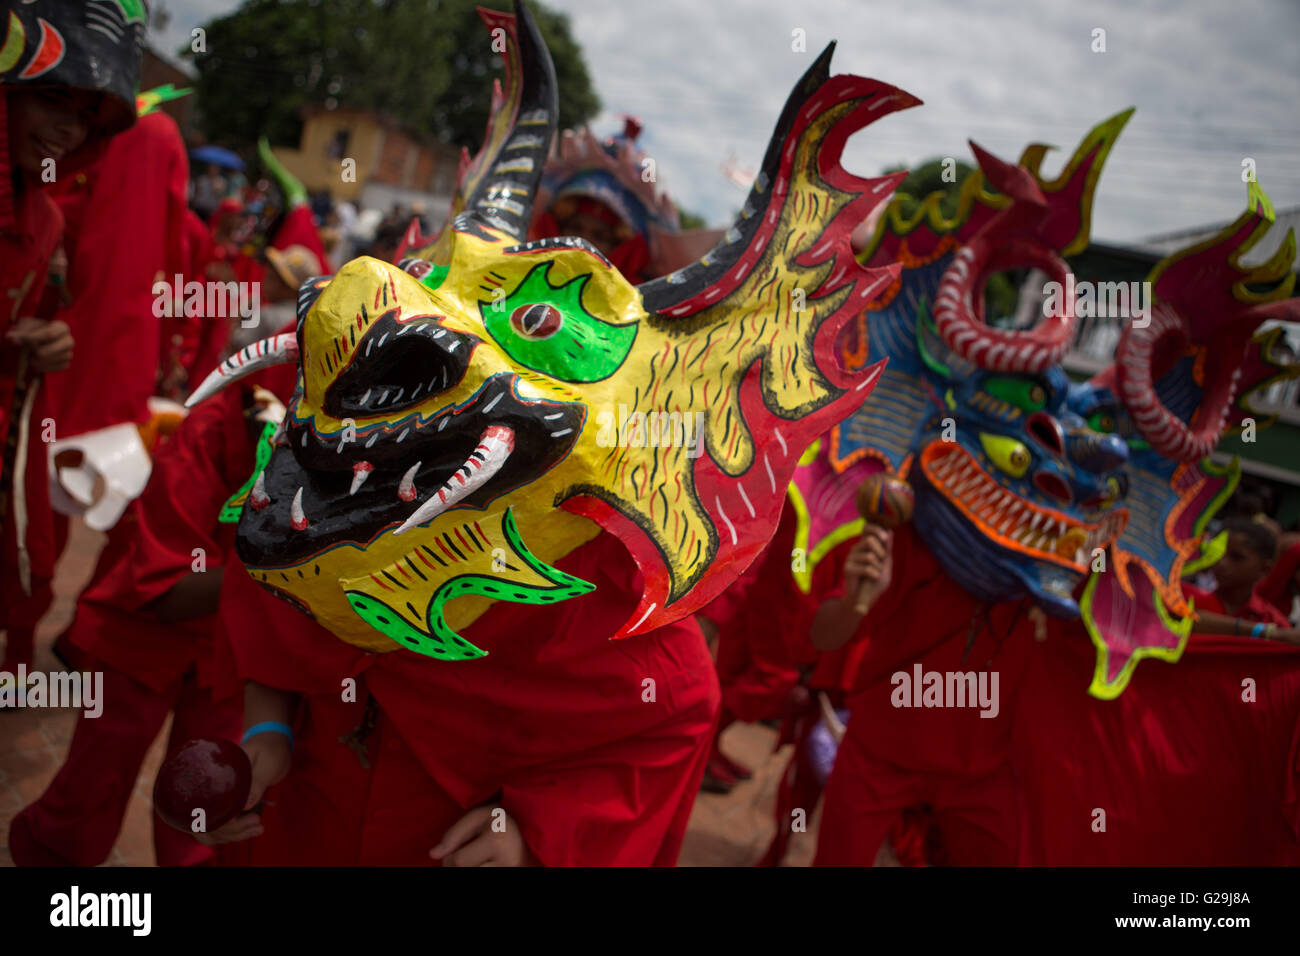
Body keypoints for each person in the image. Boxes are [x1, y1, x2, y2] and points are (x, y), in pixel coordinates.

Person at [1, 0, 143, 675]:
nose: (68, 128)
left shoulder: (50, 221)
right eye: (53, 98)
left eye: (87, 115)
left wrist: (43, 343)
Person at [1181, 516, 1292, 636]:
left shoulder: (1274, 622)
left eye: (1236, 557)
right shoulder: (1184, 600)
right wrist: (1263, 632)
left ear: (1264, 570)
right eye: (1219, 553)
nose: (1221, 563)